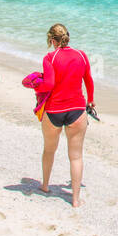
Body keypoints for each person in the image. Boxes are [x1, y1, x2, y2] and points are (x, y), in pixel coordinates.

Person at [32, 23, 93, 207]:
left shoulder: (50, 57)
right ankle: (75, 199)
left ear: (52, 40)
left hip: (54, 111)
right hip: (77, 110)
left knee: (49, 150)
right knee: (76, 156)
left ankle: (44, 185)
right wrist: (90, 101)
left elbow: (48, 85)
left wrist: (35, 84)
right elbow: (88, 80)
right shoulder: (81, 55)